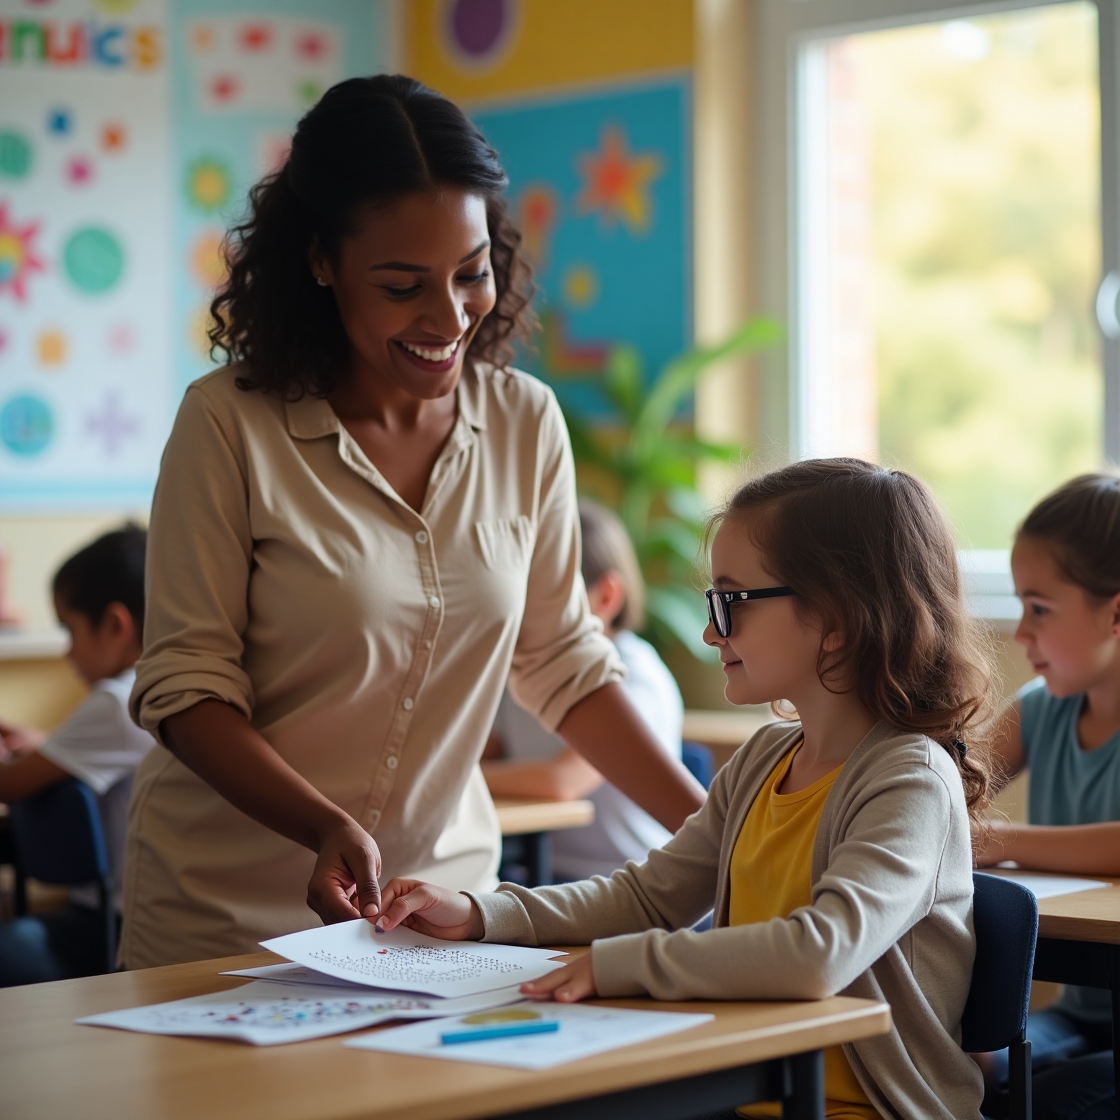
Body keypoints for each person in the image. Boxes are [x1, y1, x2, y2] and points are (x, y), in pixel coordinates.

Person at [122, 75, 704, 970]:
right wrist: (320, 822)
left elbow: (564, 664)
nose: (448, 316)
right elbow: (185, 688)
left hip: (438, 916)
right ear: (321, 262)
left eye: (472, 274)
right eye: (401, 286)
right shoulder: (228, 424)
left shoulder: (525, 422)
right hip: (225, 918)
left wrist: (720, 834)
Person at [373, 458, 997, 1120]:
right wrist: (480, 913)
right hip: (749, 1094)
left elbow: (820, 953)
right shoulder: (763, 759)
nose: (709, 632)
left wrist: (621, 965)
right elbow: (646, 897)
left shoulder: (910, 781)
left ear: (838, 620)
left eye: (731, 603)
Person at [975, 472, 1120, 1120]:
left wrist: (1001, 842)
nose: (1020, 635)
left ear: (1115, 612)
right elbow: (949, 787)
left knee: (1055, 1105)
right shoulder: (1041, 709)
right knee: (962, 1069)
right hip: (1080, 1014)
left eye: (1039, 608)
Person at [484, 498, 685, 881]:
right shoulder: (520, 669)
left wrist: (466, 781)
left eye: (549, 597)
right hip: (543, 876)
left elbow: (560, 782)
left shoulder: (634, 673)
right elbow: (484, 751)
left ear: (606, 596)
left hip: (640, 882)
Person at [0, 526, 152, 985]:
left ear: (115, 625)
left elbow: (8, 783)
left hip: (113, 932)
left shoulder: (117, 700)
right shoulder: (152, 694)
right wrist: (45, 743)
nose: (66, 650)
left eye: (69, 629)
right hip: (117, 920)